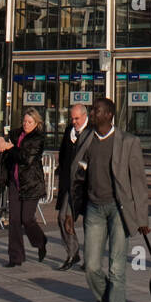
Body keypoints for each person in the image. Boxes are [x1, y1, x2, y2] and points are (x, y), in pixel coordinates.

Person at [68, 97, 150, 302]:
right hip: (93, 207)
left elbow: (138, 181)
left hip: (118, 209)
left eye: (97, 110)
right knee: (92, 267)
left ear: (109, 114)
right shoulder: (87, 139)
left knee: (116, 269)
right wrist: (72, 208)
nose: (93, 113)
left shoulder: (127, 141)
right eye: (92, 110)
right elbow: (77, 173)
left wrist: (142, 217)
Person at [0, 107, 48, 266]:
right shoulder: (15, 133)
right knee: (14, 220)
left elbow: (26, 158)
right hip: (14, 181)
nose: (26, 124)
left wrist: (10, 148)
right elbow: (0, 141)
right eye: (25, 121)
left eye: (30, 122)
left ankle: (40, 241)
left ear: (36, 123)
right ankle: (15, 256)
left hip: (31, 183)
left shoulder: (38, 139)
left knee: (27, 219)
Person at [56, 103, 91, 270]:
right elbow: (63, 154)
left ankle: (90, 258)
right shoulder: (69, 131)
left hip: (86, 184)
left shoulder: (92, 132)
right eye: (72, 118)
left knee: (89, 223)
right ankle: (73, 252)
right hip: (69, 184)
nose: (74, 121)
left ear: (85, 116)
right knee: (63, 218)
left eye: (77, 118)